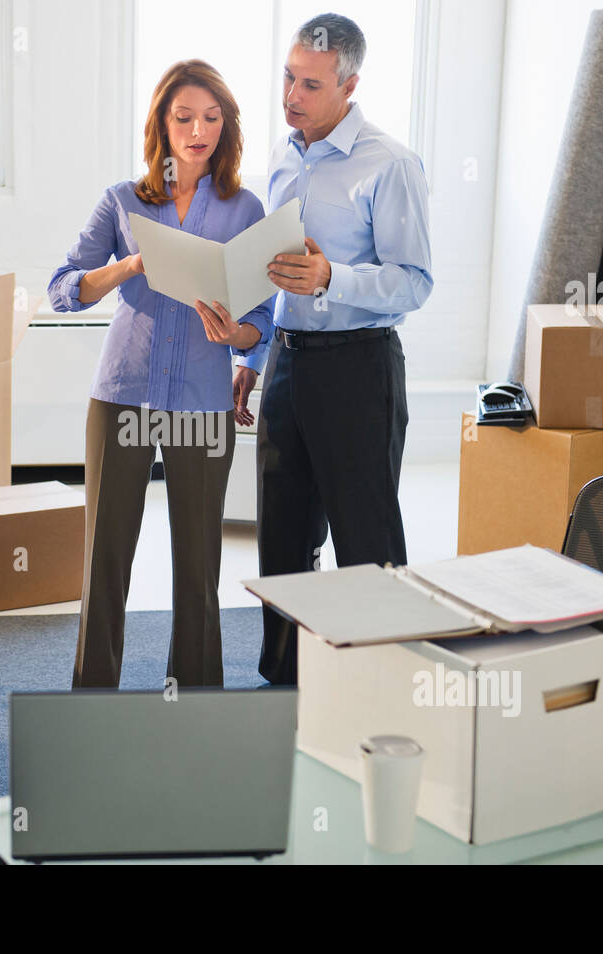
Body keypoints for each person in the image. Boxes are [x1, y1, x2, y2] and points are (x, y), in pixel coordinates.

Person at [48, 59, 274, 689]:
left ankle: (196, 699)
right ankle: (92, 702)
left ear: (226, 125)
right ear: (162, 124)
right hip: (122, 393)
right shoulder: (123, 200)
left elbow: (265, 319)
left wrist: (238, 338)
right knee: (105, 555)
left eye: (211, 117)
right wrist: (130, 266)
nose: (197, 130)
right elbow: (64, 289)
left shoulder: (245, 207)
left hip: (203, 401)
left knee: (198, 559)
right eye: (184, 117)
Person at [233, 14, 434, 685]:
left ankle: (381, 681)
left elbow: (414, 283)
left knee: (365, 539)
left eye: (309, 84)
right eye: (288, 77)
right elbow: (272, 267)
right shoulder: (282, 157)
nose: (290, 95)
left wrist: (333, 277)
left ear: (349, 85)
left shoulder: (391, 164)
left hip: (358, 367)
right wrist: (254, 359)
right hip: (288, 362)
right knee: (282, 535)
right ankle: (286, 677)